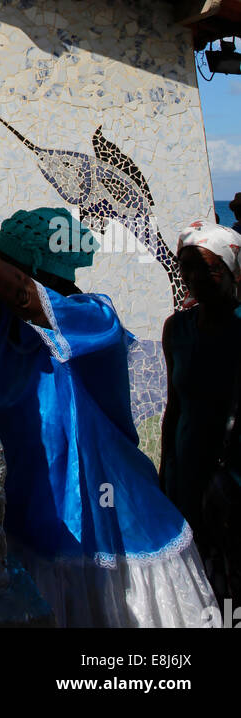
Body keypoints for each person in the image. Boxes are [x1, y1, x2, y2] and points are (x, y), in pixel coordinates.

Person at [0, 167, 217, 627]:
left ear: (38, 268)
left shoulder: (92, 316)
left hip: (103, 511)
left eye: (7, 263)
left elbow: (19, 292)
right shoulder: (13, 322)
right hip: (37, 507)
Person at [160, 220, 241, 600]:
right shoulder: (177, 329)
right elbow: (174, 405)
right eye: (186, 267)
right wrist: (166, 470)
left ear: (231, 270)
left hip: (233, 470)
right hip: (188, 462)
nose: (194, 278)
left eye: (207, 267)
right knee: (197, 573)